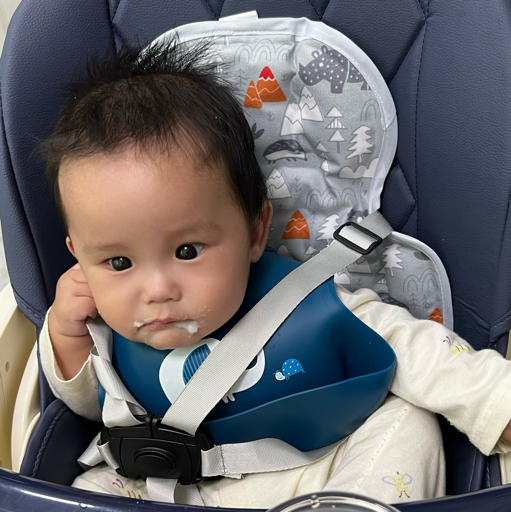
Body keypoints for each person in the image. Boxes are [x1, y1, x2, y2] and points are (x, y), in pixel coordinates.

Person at [39, 40, 511, 507]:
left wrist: (496, 403)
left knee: (408, 418)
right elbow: (92, 405)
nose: (157, 290)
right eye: (118, 263)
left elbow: (421, 353)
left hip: (317, 475)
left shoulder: (314, 308)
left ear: (254, 231)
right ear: (79, 257)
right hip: (168, 488)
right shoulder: (102, 329)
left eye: (187, 251)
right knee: (87, 488)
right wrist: (66, 337)